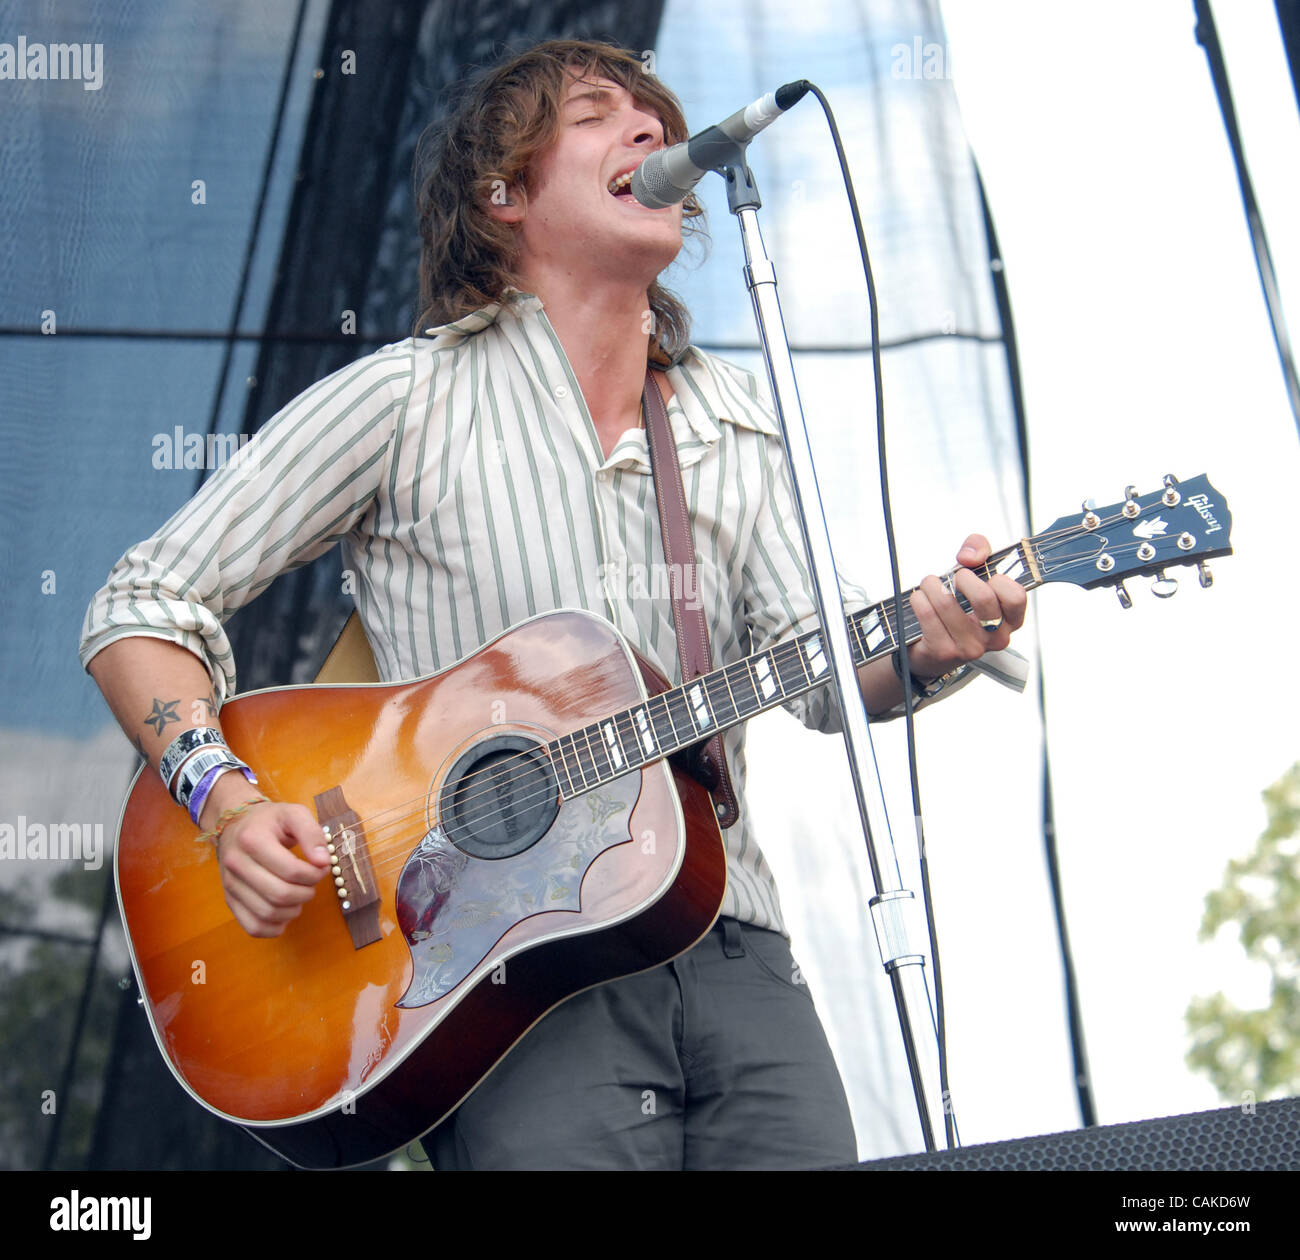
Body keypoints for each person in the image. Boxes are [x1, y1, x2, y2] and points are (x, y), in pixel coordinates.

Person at [80, 39, 1026, 1170]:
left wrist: (931, 643)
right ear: (504, 195)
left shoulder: (728, 416)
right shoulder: (409, 395)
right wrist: (228, 804)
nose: (646, 128)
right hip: (492, 972)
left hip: (732, 944)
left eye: (653, 113)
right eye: (596, 113)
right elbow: (145, 600)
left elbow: (818, 674)